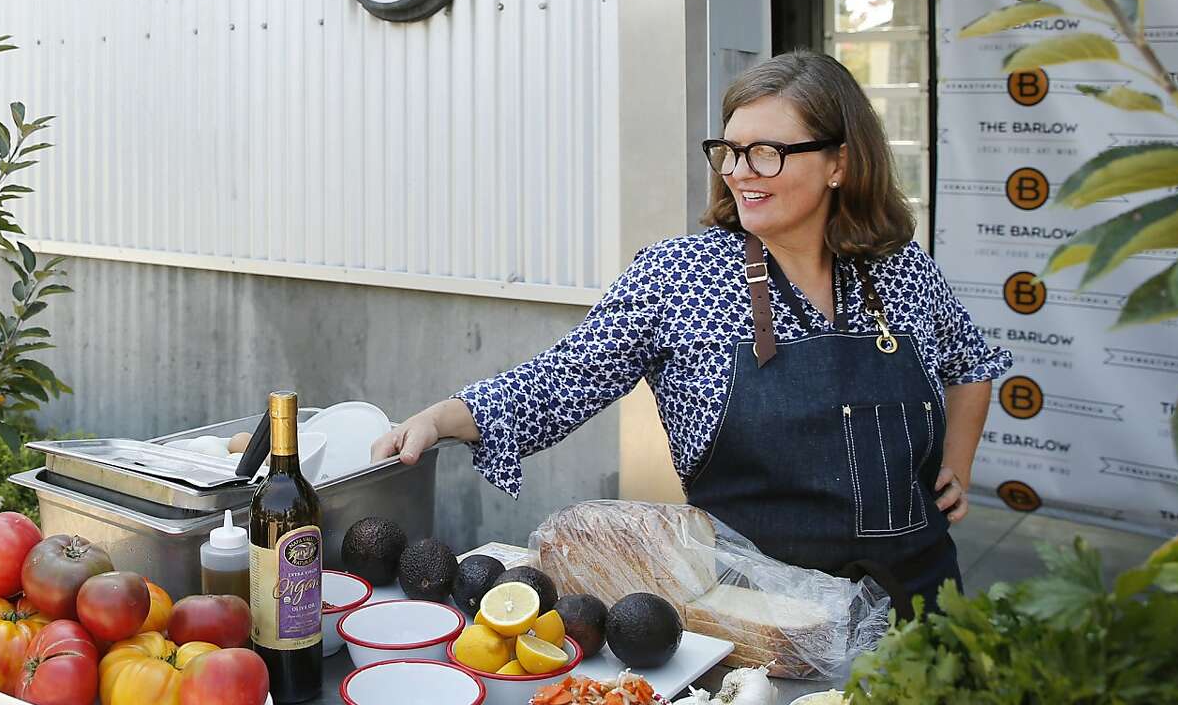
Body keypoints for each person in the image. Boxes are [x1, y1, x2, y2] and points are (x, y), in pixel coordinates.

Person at [371, 51, 1010, 613]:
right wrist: (442, 417)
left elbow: (969, 364)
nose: (740, 172)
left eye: (768, 152)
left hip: (917, 596)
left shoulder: (897, 268)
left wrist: (958, 461)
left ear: (839, 163)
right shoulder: (679, 276)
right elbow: (560, 379)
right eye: (731, 151)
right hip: (762, 612)